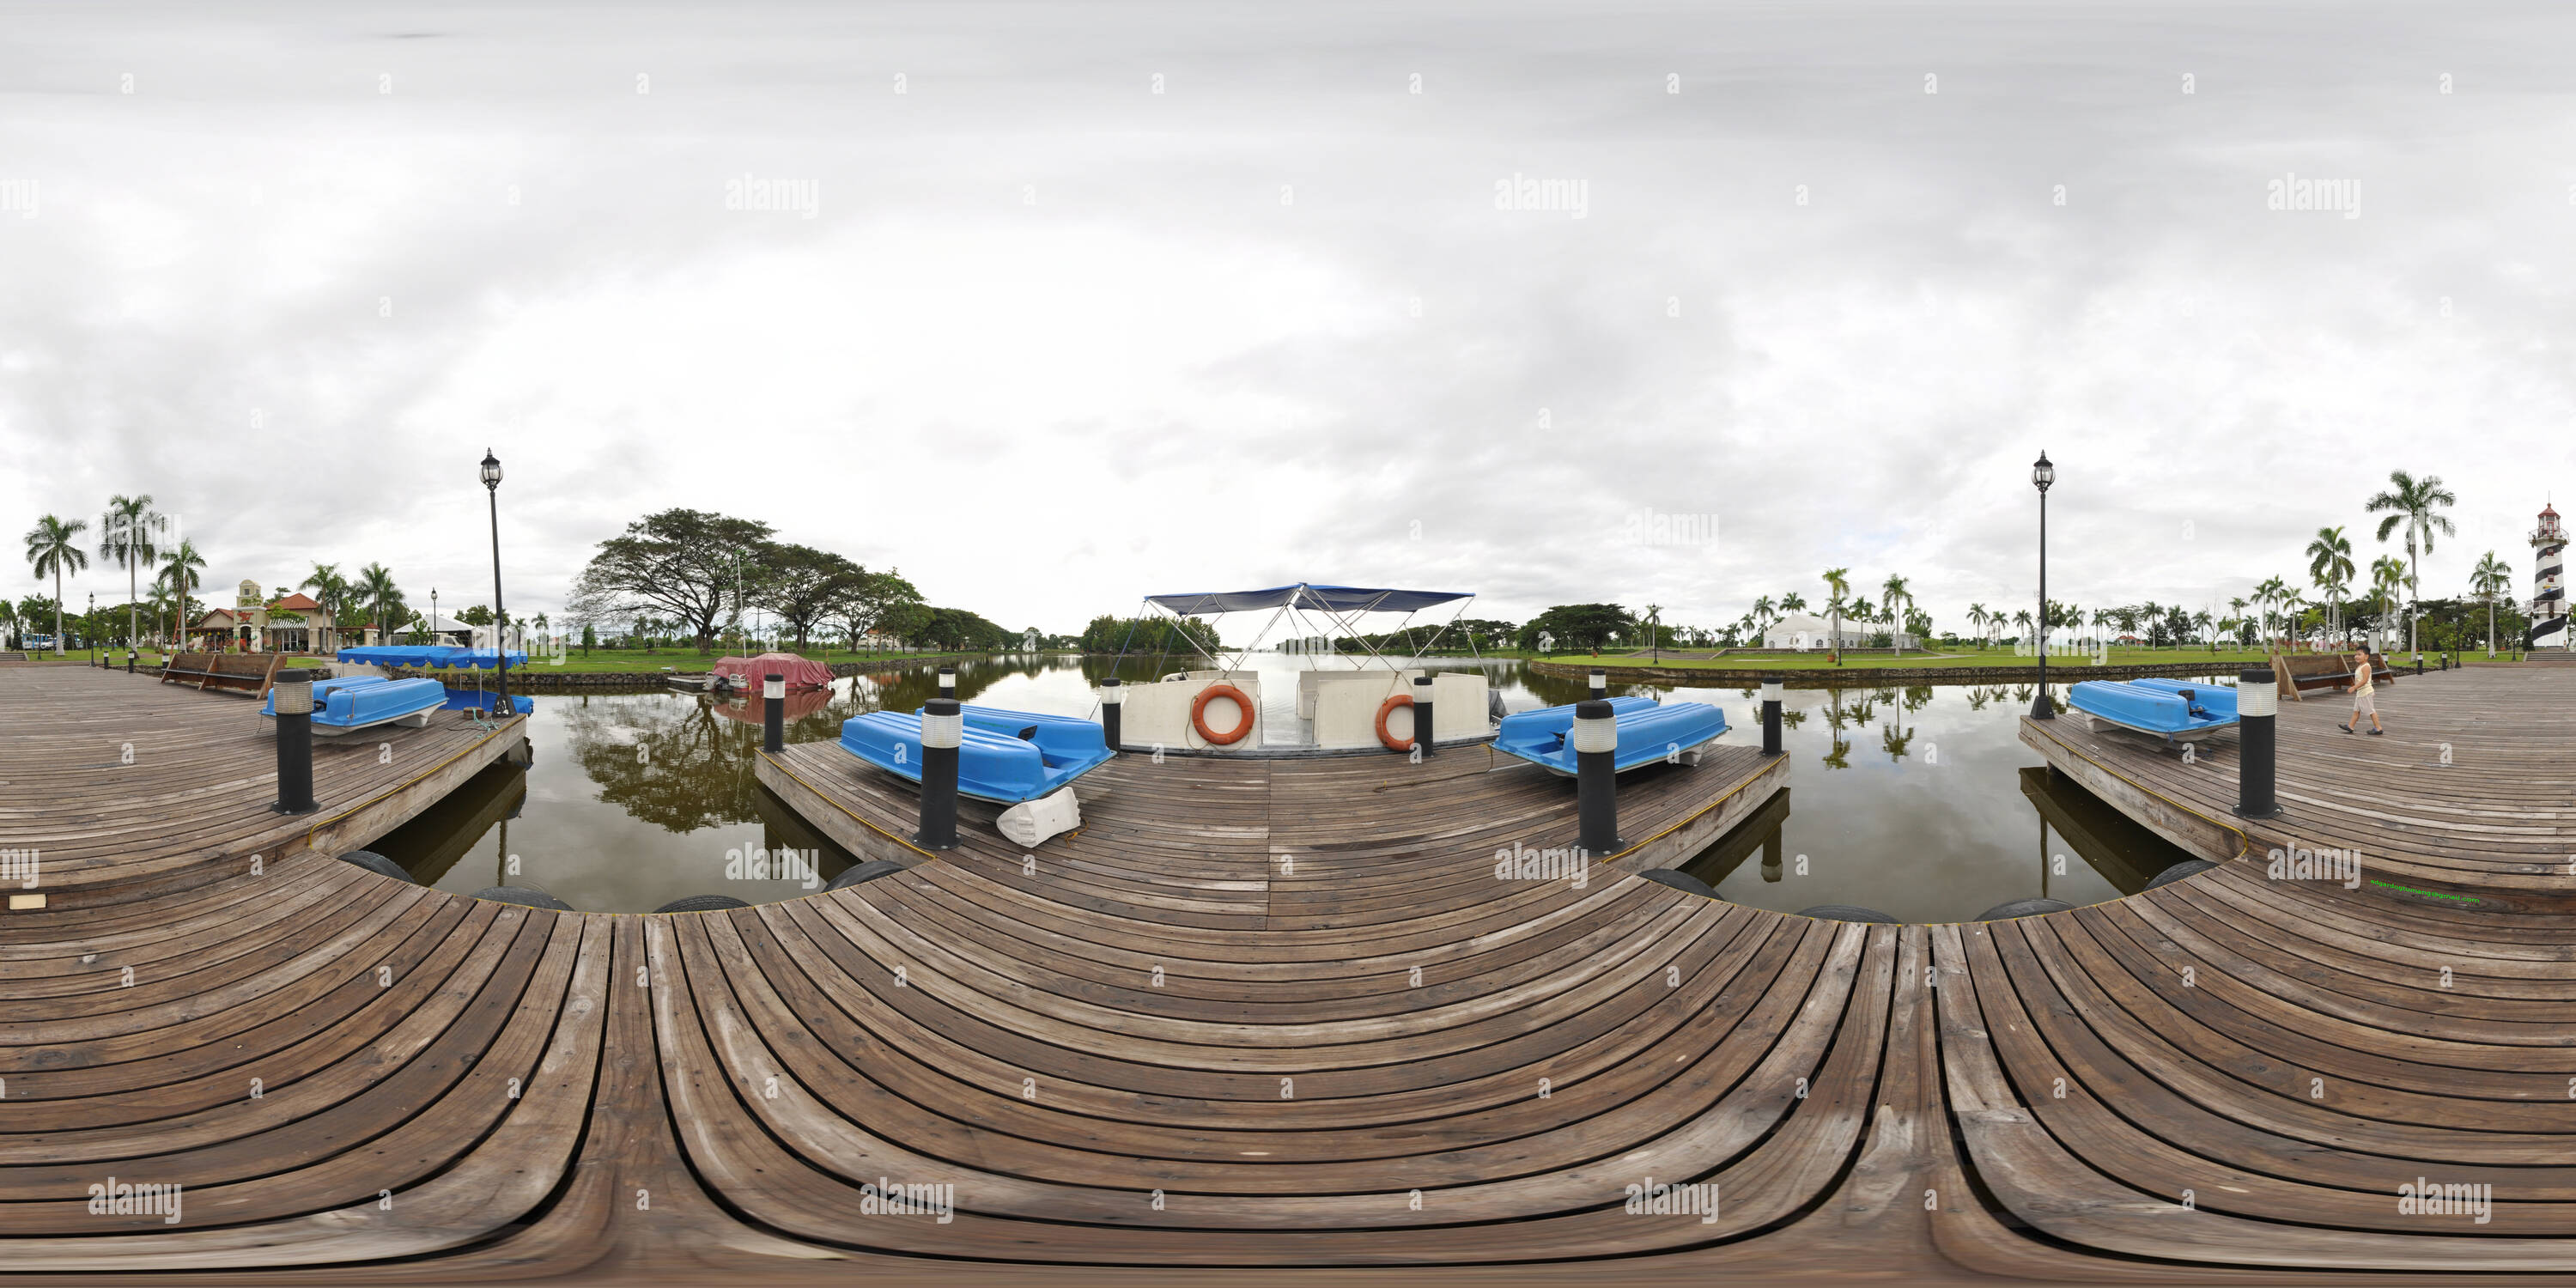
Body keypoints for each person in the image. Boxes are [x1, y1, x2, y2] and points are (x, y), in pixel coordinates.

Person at [2340, 648, 2383, 736]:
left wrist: (2354, 687)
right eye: (2356, 654)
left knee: (2371, 711)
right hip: (2360, 693)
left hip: (2365, 692)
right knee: (2356, 711)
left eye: (2359, 654)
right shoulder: (2360, 666)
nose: (2356, 656)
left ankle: (2378, 728)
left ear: (2366, 657)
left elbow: (2364, 680)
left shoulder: (2366, 667)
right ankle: (2350, 726)